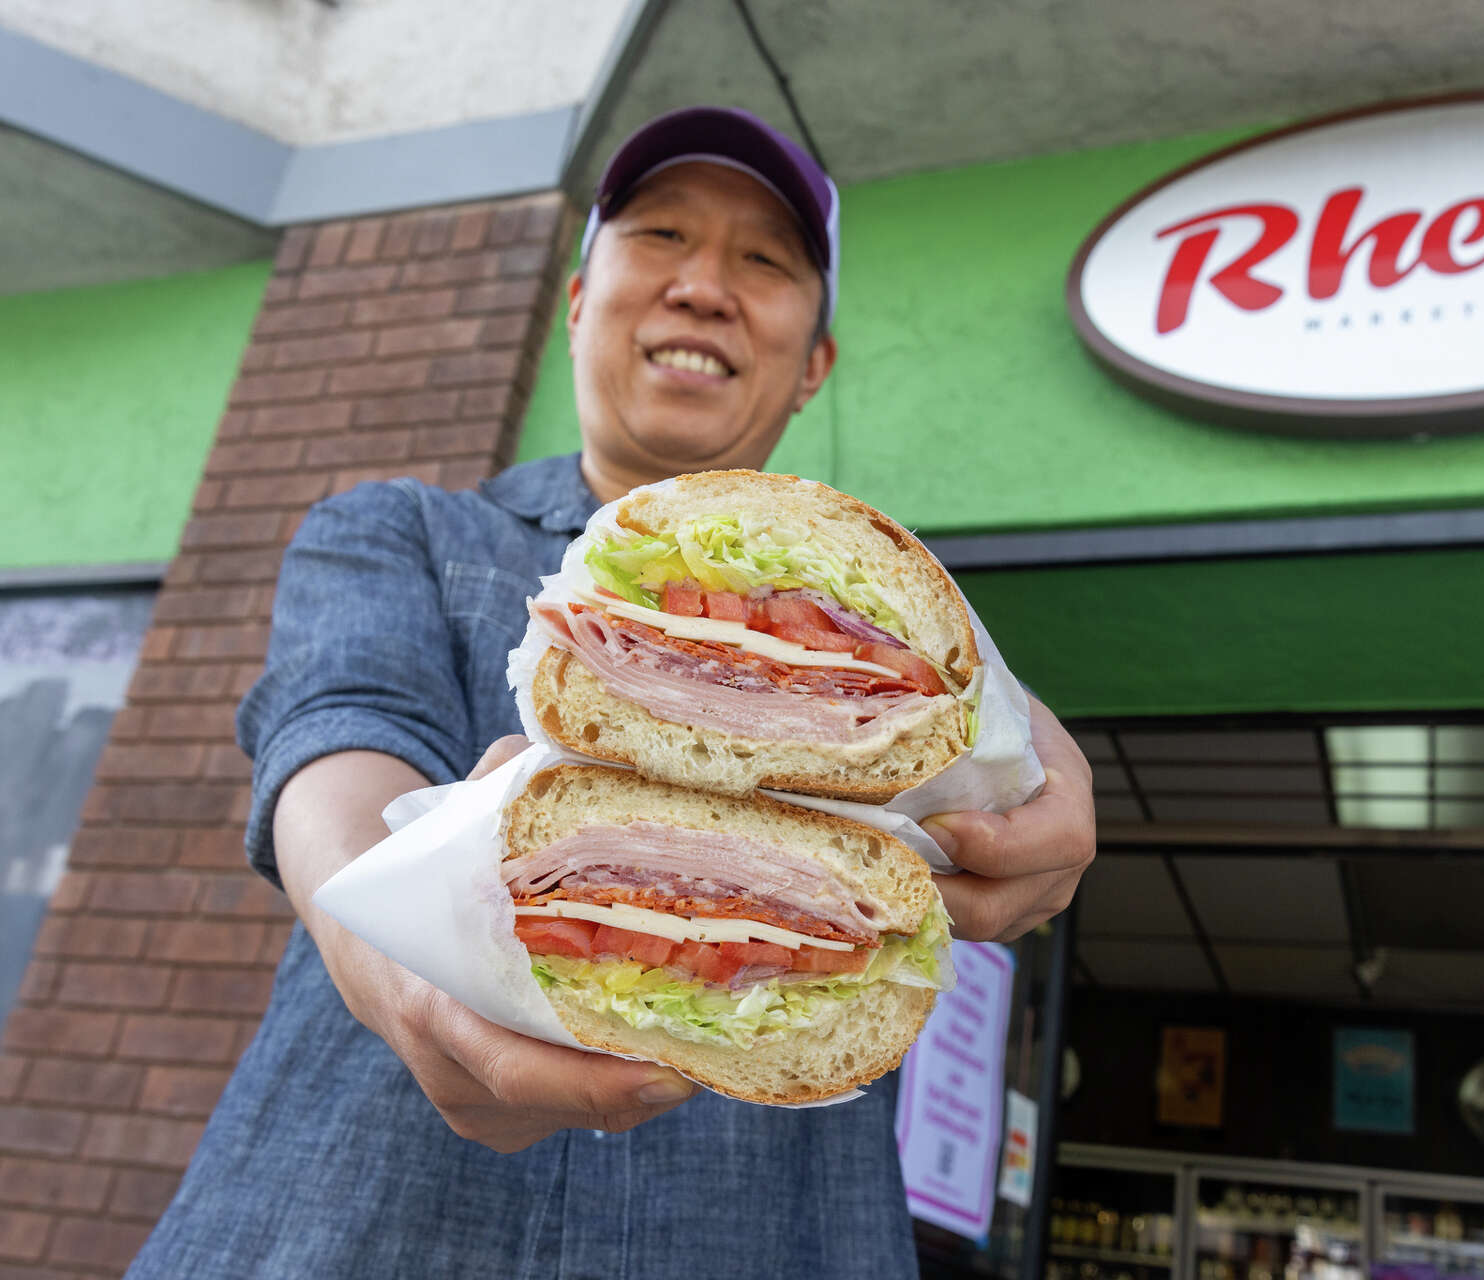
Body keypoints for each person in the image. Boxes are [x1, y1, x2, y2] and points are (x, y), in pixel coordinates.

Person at [128, 107, 1096, 1278]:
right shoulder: (406, 532)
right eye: (660, 235)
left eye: (766, 260)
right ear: (581, 300)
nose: (703, 285)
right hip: (344, 1224)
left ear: (815, 363)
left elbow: (993, 759)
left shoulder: (905, 622)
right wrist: (401, 980)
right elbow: (338, 739)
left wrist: (1025, 761)